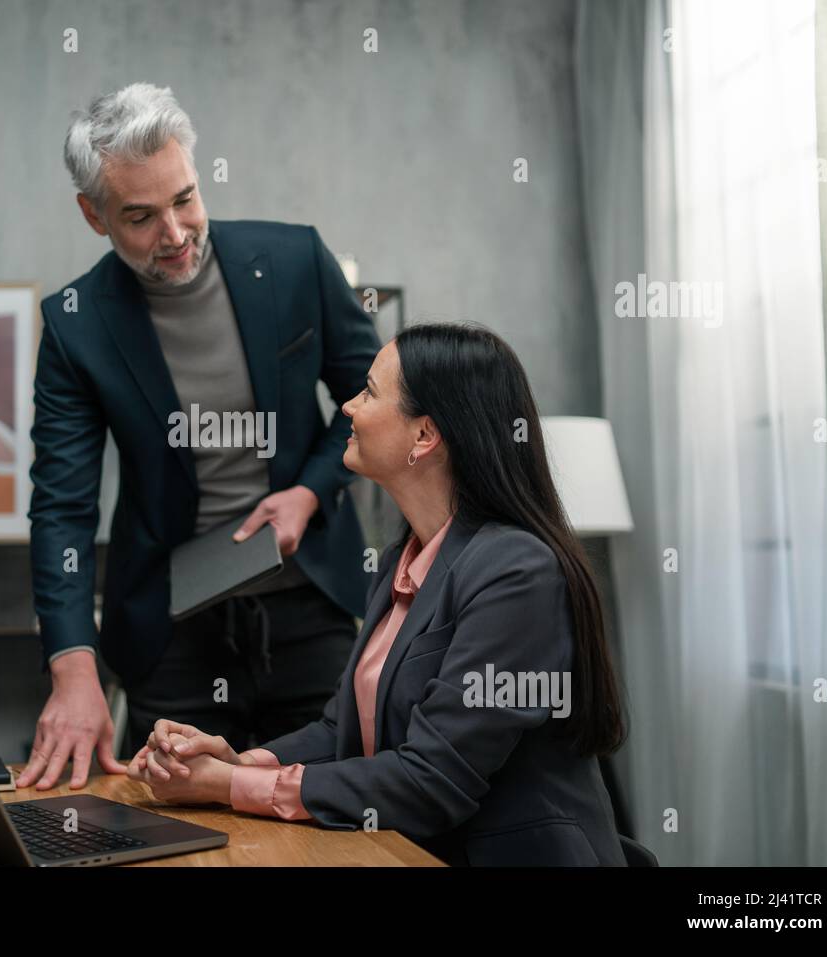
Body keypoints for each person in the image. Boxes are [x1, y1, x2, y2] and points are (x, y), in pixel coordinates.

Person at [128, 322, 629, 866]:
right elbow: (341, 729)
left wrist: (226, 786)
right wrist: (240, 762)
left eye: (368, 391)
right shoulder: (402, 558)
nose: (347, 406)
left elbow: (431, 780)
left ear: (424, 436)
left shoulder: (518, 572)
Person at [18, 82, 380, 791]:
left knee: (334, 814)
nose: (176, 234)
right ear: (93, 215)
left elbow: (372, 400)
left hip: (311, 598)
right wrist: (72, 665)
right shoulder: (76, 324)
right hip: (170, 627)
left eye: (184, 198)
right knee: (178, 827)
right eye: (141, 216)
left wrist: (309, 490)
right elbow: (62, 506)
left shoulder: (296, 260)